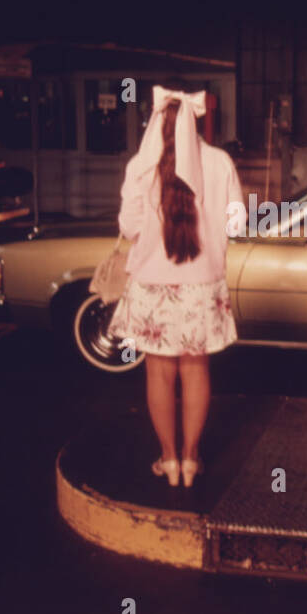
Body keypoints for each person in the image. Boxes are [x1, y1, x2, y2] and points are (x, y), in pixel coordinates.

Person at [109, 84, 243, 488]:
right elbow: (236, 225)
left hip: (152, 287)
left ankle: (167, 461)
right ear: (195, 121)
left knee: (159, 376)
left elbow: (130, 228)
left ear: (155, 121)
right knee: (196, 372)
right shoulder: (220, 162)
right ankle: (190, 459)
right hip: (202, 287)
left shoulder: (140, 167)